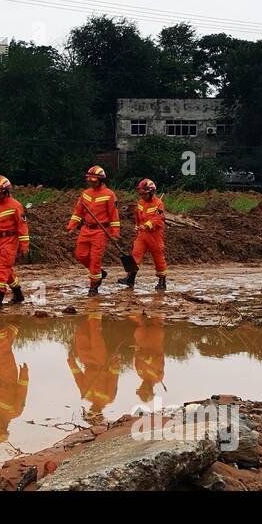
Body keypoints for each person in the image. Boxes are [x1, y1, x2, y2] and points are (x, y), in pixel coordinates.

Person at [66, 165, 121, 296]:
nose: (91, 182)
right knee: (81, 255)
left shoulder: (109, 195)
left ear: (101, 180)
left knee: (95, 259)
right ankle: (99, 273)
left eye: (94, 180)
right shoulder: (85, 194)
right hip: (85, 229)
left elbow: (114, 215)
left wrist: (115, 232)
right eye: (89, 180)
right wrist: (72, 225)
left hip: (100, 231)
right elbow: (78, 212)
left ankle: (94, 286)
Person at [0, 175, 30, 311]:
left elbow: (22, 226)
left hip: (10, 241)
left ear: (6, 190)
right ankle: (18, 294)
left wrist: (24, 245)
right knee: (6, 270)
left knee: (1, 268)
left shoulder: (16, 206)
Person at [66, 312, 121, 419]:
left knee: (80, 335)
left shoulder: (86, 395)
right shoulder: (109, 398)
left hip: (86, 361)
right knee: (96, 336)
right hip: (100, 361)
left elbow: (78, 376)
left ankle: (90, 316)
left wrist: (71, 362)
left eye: (90, 412)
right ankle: (95, 312)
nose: (91, 410)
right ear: (100, 414)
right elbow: (113, 379)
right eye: (93, 413)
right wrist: (116, 364)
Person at [118, 178, 167, 290]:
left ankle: (162, 281)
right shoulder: (140, 203)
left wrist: (147, 225)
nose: (142, 196)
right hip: (142, 234)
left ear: (151, 192)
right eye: (141, 194)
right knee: (135, 255)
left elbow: (159, 219)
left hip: (154, 235)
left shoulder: (158, 204)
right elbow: (137, 215)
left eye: (144, 194)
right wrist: (138, 225)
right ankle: (130, 279)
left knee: (158, 258)